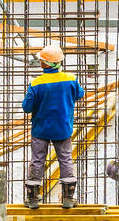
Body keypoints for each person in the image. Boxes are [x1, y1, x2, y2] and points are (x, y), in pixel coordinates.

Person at [22, 43, 84, 210]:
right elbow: (80, 94)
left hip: (40, 129)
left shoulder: (36, 83)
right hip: (62, 127)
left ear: (44, 64)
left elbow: (27, 107)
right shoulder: (70, 79)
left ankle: (33, 198)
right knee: (65, 159)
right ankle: (68, 198)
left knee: (37, 160)